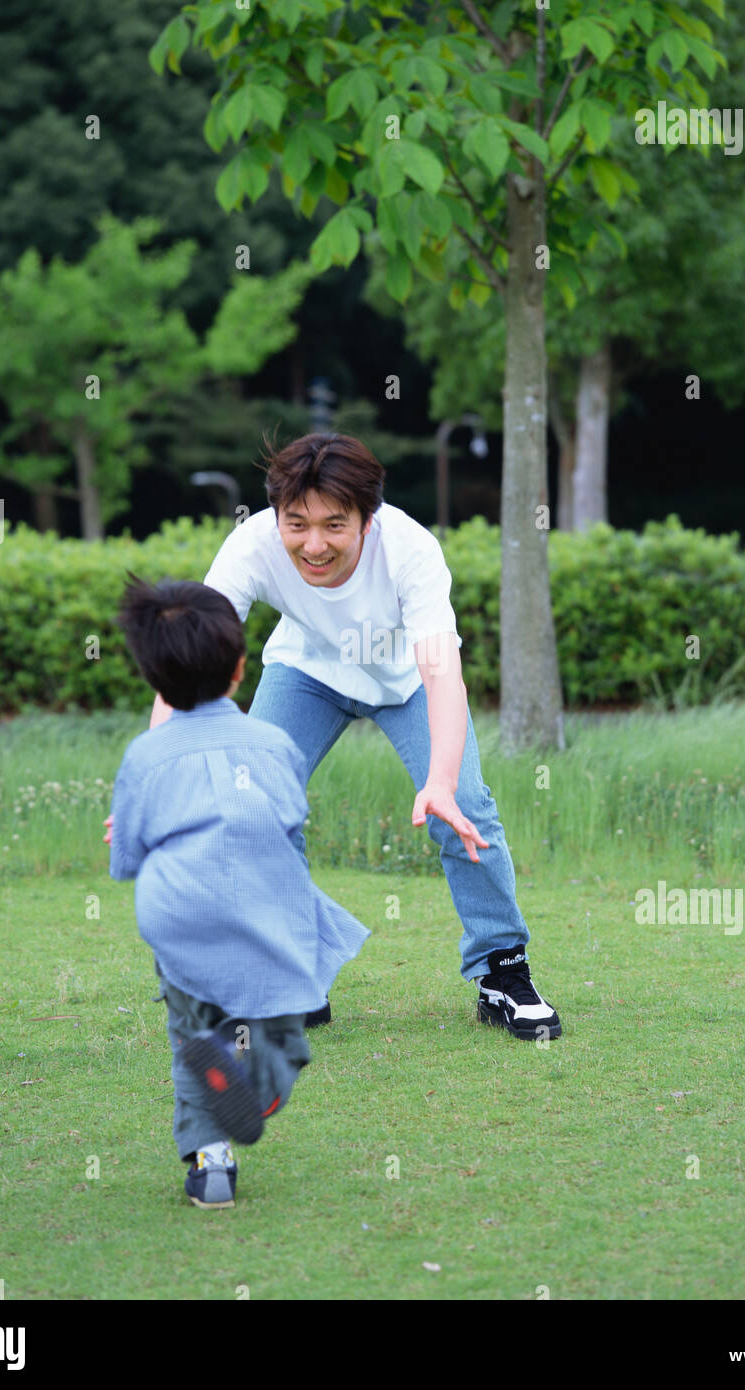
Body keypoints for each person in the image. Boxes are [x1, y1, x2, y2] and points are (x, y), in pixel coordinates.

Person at [149, 431, 561, 1042]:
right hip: (306, 671)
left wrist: (441, 783)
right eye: (297, 525)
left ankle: (503, 971)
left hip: (406, 682)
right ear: (277, 517)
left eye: (334, 526)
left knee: (465, 808)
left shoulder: (411, 549)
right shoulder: (252, 545)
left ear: (367, 519)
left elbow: (442, 673)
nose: (313, 545)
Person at [107, 575, 370, 1209]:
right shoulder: (273, 743)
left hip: (180, 922)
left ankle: (210, 1164)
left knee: (192, 1033)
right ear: (240, 670)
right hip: (261, 917)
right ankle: (263, 1073)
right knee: (267, 1022)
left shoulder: (145, 758)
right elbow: (287, 820)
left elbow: (126, 858)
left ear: (153, 678)